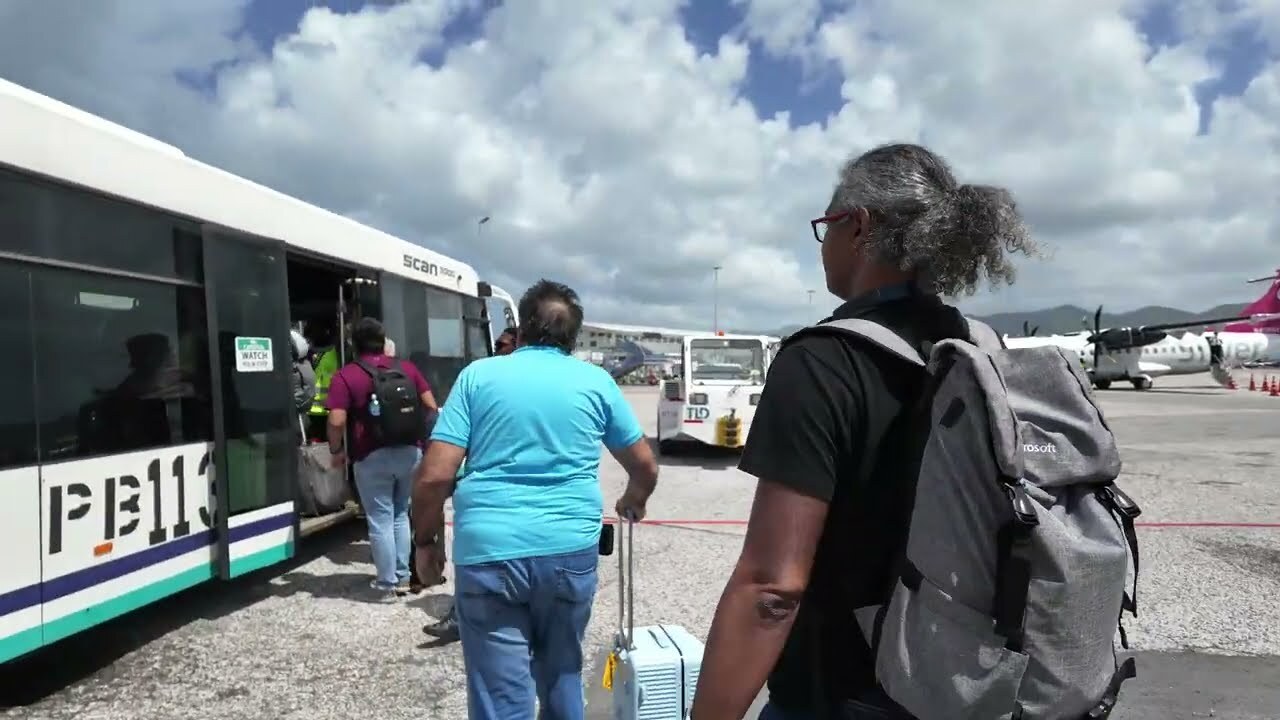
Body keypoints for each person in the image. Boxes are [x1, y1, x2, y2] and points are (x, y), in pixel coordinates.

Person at [689, 143, 1037, 720]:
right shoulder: (984, 351)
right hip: (974, 686)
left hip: (846, 694)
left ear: (858, 226)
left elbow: (771, 591)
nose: (823, 243)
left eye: (825, 226)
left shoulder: (822, 362)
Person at [411, 279, 659, 720]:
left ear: (521, 328)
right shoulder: (595, 382)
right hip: (569, 550)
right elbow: (645, 465)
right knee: (563, 674)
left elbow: (433, 477)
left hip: (490, 553)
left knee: (501, 697)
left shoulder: (479, 377)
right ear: (573, 338)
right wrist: (632, 501)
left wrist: (426, 543)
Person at [327, 317, 439, 600]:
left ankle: (387, 584)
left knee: (380, 519)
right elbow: (431, 406)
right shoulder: (407, 369)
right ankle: (402, 577)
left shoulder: (346, 375)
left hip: (370, 455)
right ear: (382, 339)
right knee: (401, 514)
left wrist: (336, 450)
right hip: (410, 452)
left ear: (354, 343)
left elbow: (337, 420)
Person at [421, 324, 518, 641]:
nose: (498, 350)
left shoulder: (492, 384)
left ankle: (466, 617)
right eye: (498, 345)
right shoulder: (487, 381)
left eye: (504, 345)